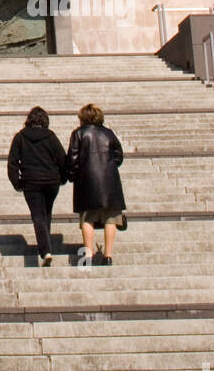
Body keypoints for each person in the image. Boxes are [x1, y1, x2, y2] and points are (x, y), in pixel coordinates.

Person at [7, 106, 68, 267]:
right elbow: (62, 159)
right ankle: (46, 247)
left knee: (38, 216)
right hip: (51, 181)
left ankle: (45, 251)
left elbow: (12, 163)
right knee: (46, 214)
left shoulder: (20, 137)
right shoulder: (51, 136)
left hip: (31, 182)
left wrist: (17, 183)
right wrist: (63, 178)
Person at [66, 103, 126, 266]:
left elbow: (72, 159)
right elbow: (119, 156)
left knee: (87, 218)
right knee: (111, 219)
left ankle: (88, 254)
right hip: (110, 182)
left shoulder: (78, 133)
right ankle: (107, 255)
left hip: (86, 182)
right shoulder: (108, 133)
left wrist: (71, 175)